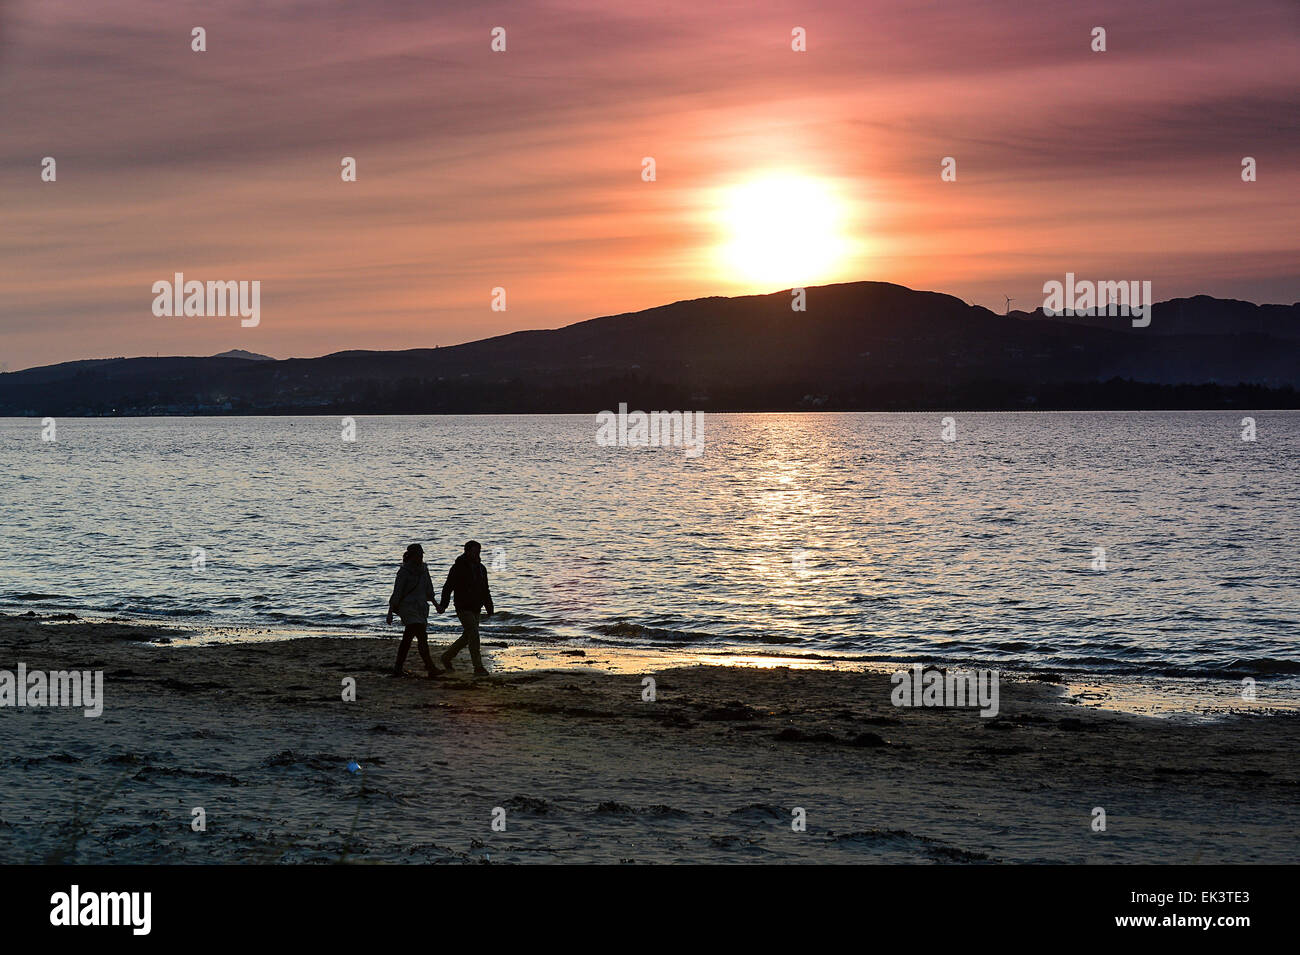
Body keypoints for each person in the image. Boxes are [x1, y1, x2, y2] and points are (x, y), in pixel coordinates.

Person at [437, 540, 495, 676]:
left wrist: (489, 606)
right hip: (462, 606)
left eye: (478, 552)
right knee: (474, 633)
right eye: (474, 551)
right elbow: (448, 587)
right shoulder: (458, 567)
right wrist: (444, 605)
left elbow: (485, 589)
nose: (477, 554)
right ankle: (478, 667)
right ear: (467, 551)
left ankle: (446, 657)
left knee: (468, 636)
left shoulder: (481, 568)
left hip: (476, 606)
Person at [387, 543, 440, 678]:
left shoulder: (424, 570)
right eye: (418, 555)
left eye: (422, 554)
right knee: (421, 636)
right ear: (411, 556)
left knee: (408, 638)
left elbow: (429, 590)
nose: (420, 557)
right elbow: (397, 592)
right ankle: (430, 667)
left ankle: (398, 668)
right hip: (408, 608)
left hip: (421, 608)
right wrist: (390, 612)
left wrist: (436, 605)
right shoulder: (404, 572)